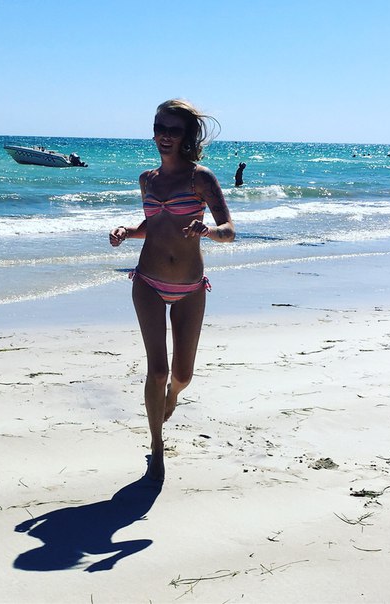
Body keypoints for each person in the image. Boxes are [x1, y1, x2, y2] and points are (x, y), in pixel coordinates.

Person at [109, 99, 235, 481]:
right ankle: (157, 447)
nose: (165, 135)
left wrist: (208, 231)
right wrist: (127, 231)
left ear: (186, 136)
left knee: (182, 375)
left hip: (191, 287)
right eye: (159, 128)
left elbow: (229, 230)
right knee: (158, 369)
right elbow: (155, 224)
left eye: (173, 130)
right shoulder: (147, 180)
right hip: (147, 281)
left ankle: (174, 396)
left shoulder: (201, 178)